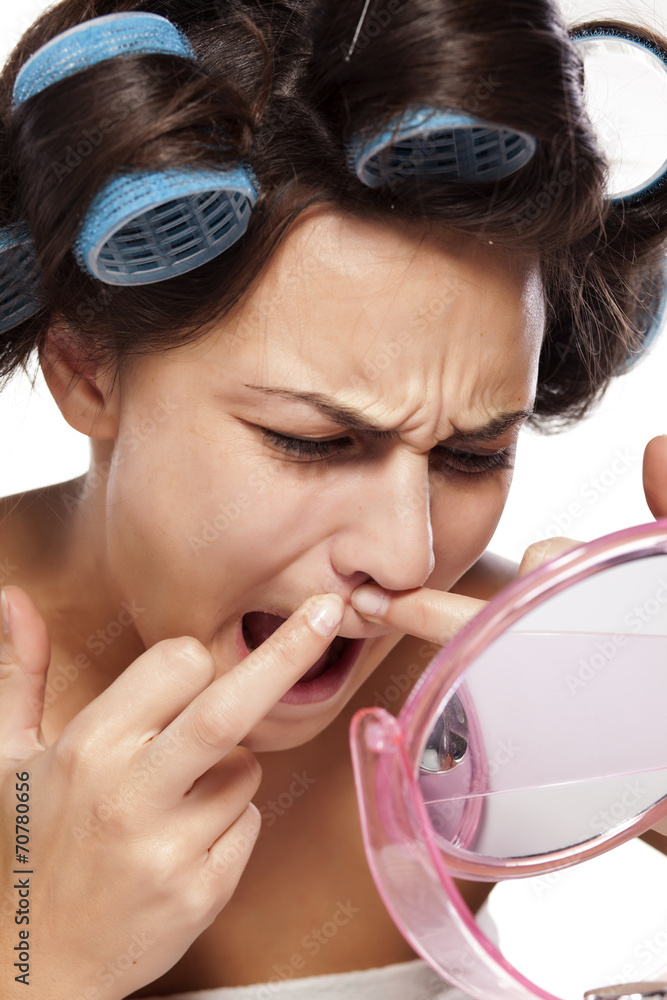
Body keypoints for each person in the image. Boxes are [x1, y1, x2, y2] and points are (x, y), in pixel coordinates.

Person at [0, 1, 665, 998]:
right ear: (88, 370)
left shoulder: (524, 690)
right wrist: (33, 952)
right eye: (314, 441)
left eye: (472, 451)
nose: (404, 557)